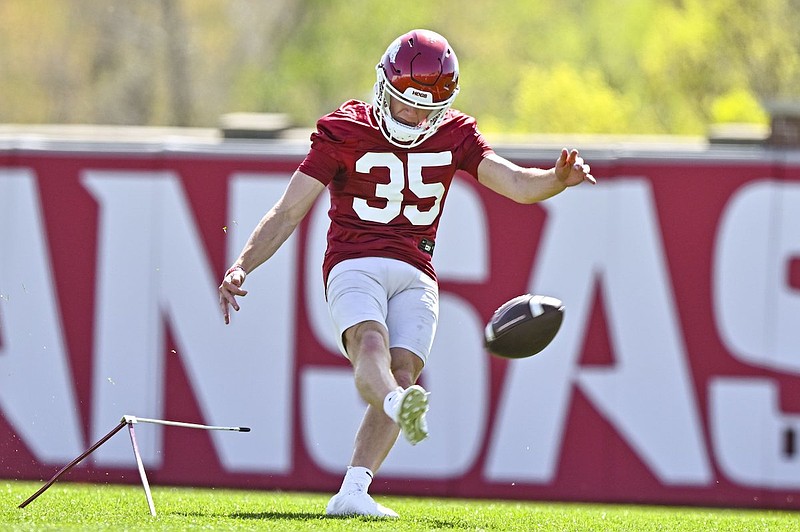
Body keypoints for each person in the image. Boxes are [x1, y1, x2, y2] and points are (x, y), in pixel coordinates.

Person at [218, 28, 595, 519]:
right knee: (370, 346)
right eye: (403, 102)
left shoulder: (456, 133)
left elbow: (518, 185)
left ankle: (353, 491)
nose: (413, 115)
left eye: (424, 108)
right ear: (383, 86)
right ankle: (398, 406)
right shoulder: (344, 130)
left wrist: (556, 181)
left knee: (402, 373)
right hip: (354, 261)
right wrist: (244, 263)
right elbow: (289, 211)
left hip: (416, 269)